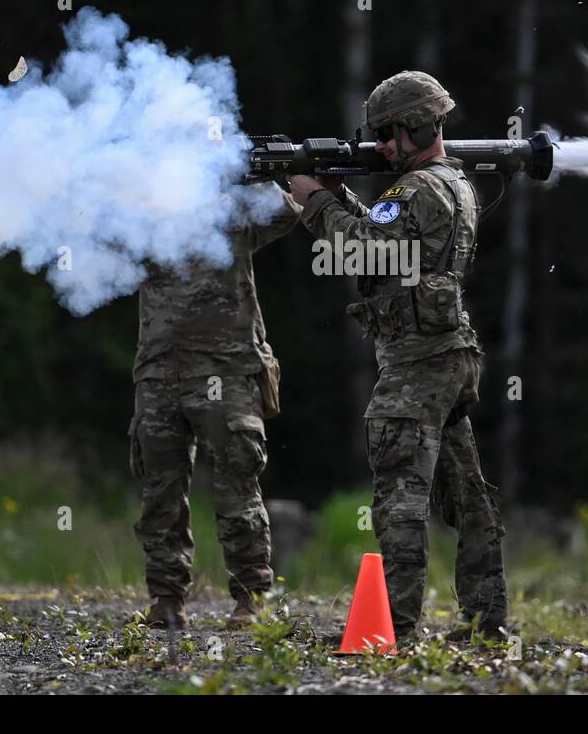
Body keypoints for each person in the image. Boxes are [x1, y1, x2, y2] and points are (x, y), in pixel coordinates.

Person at [288, 70, 509, 640]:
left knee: (400, 498)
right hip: (450, 354)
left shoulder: (414, 190)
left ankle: (397, 628)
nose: (381, 145)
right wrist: (338, 198)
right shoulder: (452, 185)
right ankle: (487, 621)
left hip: (416, 363)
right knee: (468, 494)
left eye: (388, 133)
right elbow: (395, 247)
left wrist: (313, 203)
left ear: (415, 125)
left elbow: (364, 257)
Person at [130, 184, 300, 628]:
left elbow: (288, 212)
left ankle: (250, 598)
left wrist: (254, 176)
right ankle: (166, 599)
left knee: (237, 486)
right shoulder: (137, 209)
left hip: (224, 370)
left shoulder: (229, 208)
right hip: (159, 370)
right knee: (159, 491)